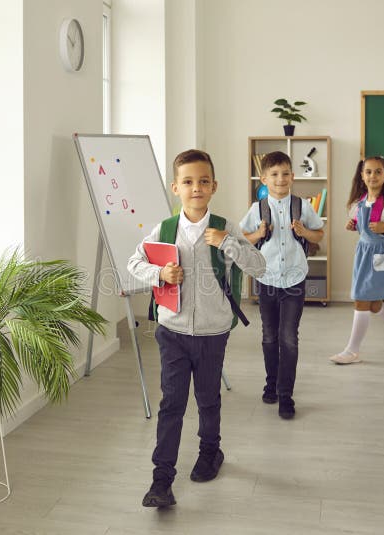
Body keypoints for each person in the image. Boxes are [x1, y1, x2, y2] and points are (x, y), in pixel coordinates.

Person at [128, 149, 266, 508]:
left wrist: (230, 244)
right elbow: (134, 262)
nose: (196, 188)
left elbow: (259, 266)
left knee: (207, 398)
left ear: (214, 186)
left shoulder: (225, 227)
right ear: (176, 187)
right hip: (171, 332)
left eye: (203, 181)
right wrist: (159, 273)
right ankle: (161, 479)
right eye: (188, 181)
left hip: (212, 332)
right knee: (171, 403)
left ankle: (210, 452)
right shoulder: (165, 229)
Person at [239, 151, 324, 419]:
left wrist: (304, 232)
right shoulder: (257, 209)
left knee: (289, 338)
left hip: (295, 280)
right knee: (269, 336)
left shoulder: (301, 206)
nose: (280, 179)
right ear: (264, 179)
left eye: (285, 173)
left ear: (292, 176)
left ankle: (286, 395)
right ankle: (271, 384)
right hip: (266, 280)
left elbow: (318, 233)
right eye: (274, 175)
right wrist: (259, 233)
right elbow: (243, 239)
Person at [330, 156, 384, 365]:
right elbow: (364, 229)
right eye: (368, 172)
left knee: (362, 299)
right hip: (364, 254)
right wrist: (353, 225)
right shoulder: (358, 203)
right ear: (362, 175)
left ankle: (352, 350)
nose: (373, 176)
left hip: (382, 256)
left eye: (378, 172)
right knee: (374, 304)